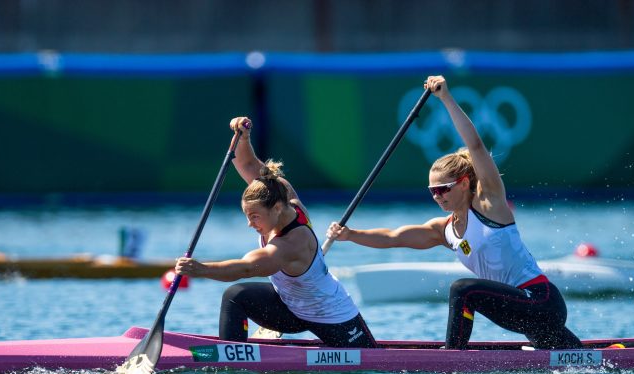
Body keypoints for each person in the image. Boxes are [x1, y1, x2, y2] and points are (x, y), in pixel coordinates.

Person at [327, 75, 582, 351]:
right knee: (582, 359)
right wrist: (350, 235)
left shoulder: (490, 204)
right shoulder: (444, 230)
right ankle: (603, 354)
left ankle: (452, 356)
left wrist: (445, 98)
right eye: (432, 191)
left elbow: (476, 146)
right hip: (522, 315)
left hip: (541, 300)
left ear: (463, 183)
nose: (438, 196)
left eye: (443, 189)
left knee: (463, 289)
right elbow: (392, 237)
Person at [174, 116, 377, 348]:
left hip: (332, 317)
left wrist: (200, 269)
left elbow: (247, 267)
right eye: (247, 216)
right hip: (290, 308)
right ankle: (233, 357)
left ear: (278, 208)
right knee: (235, 295)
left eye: (255, 217)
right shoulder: (278, 191)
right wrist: (244, 137)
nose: (250, 224)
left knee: (370, 357)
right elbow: (248, 165)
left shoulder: (292, 242)